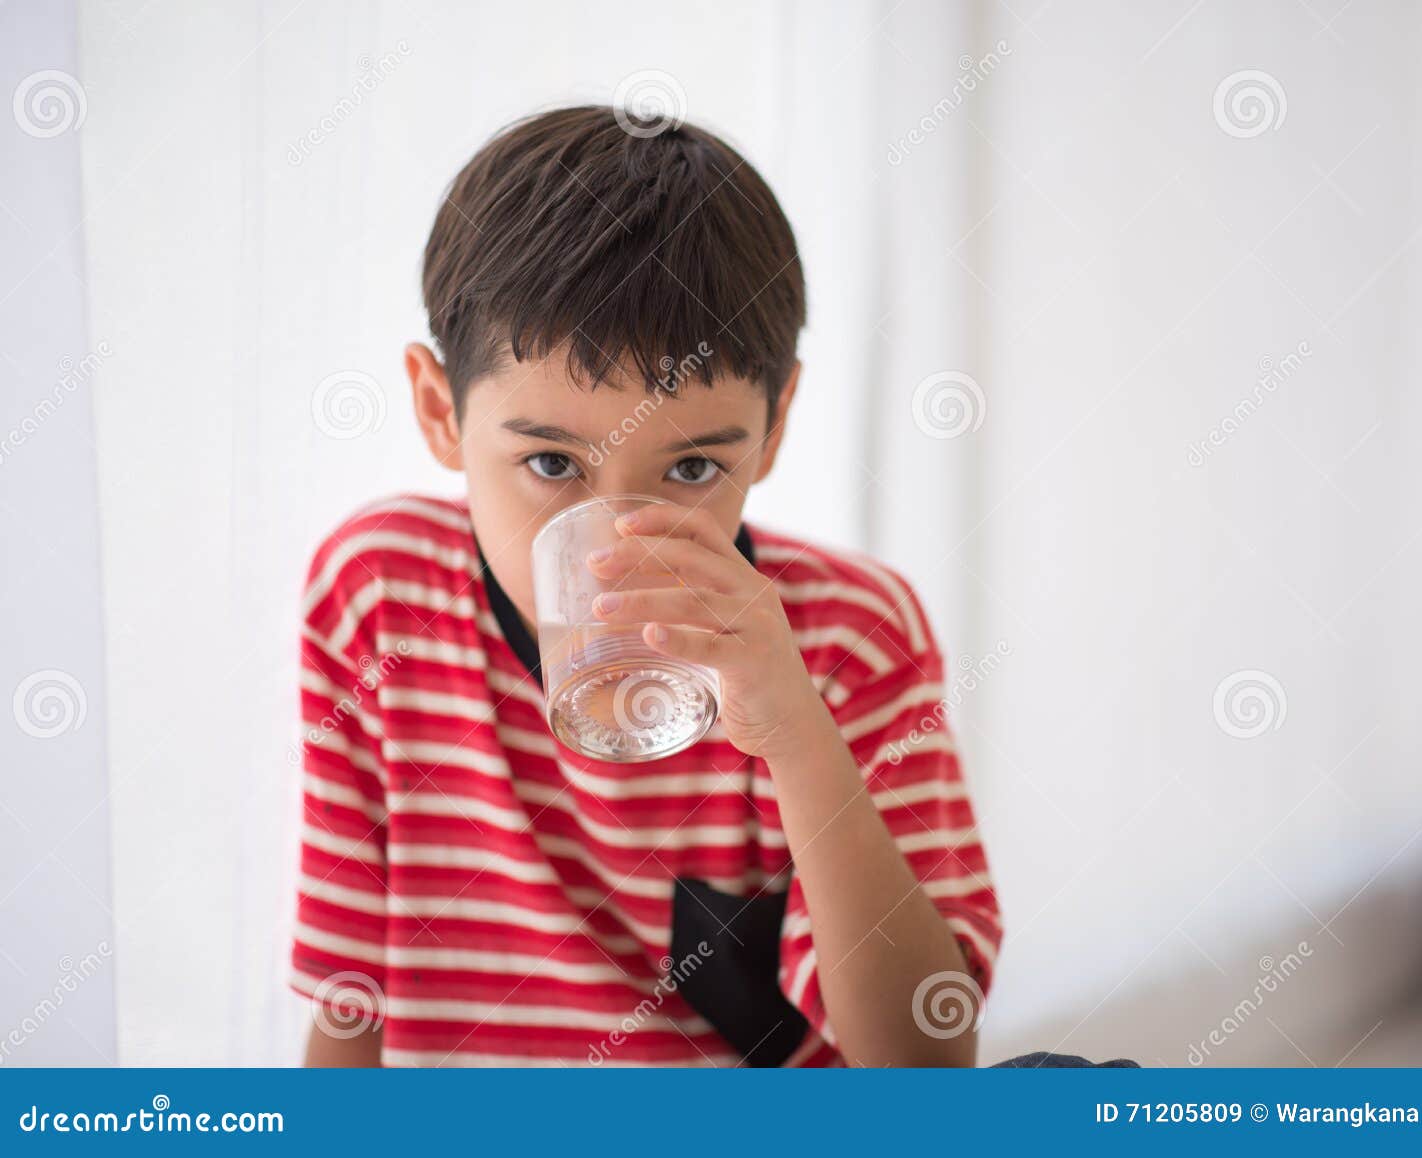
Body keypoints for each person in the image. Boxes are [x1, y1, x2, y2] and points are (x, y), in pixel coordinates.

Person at [291, 105, 1002, 1067]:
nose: (614, 552)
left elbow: (926, 1069)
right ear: (438, 411)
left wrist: (794, 731)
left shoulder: (849, 636)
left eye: (693, 471)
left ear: (776, 422)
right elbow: (351, 1006)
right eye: (550, 465)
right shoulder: (378, 596)